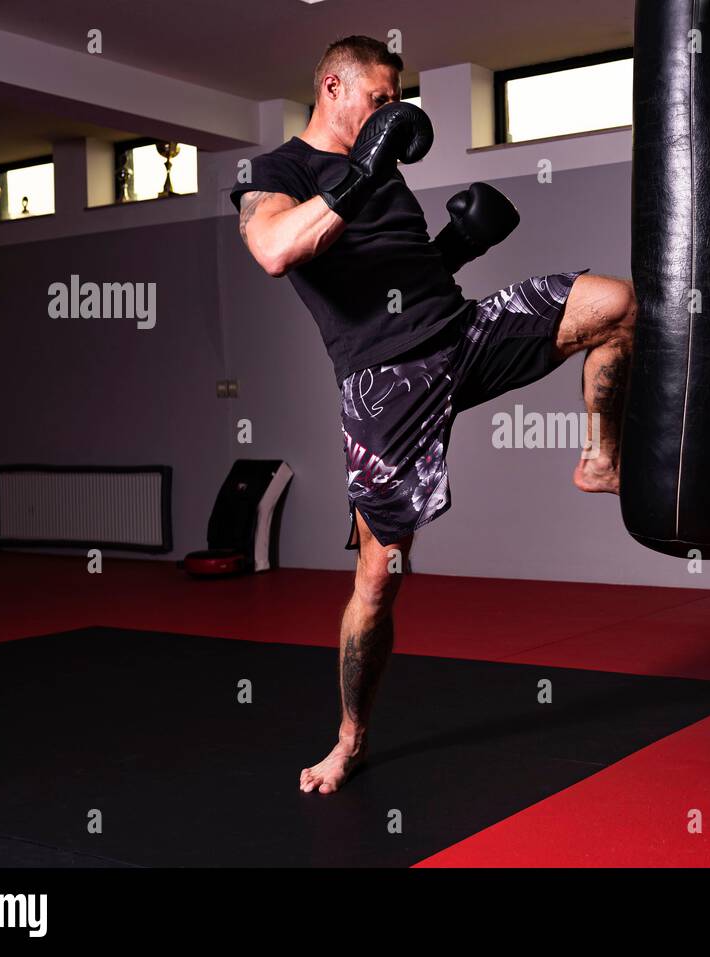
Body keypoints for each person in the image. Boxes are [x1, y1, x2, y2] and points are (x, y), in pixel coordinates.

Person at [231, 36, 636, 795]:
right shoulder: (275, 172)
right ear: (332, 87)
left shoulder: (380, 175)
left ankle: (600, 458)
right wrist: (361, 172)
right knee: (381, 574)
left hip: (462, 334)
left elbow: (405, 282)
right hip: (385, 384)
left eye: (397, 100)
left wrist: (456, 244)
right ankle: (349, 740)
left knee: (616, 304)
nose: (393, 114)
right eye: (380, 99)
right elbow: (275, 249)